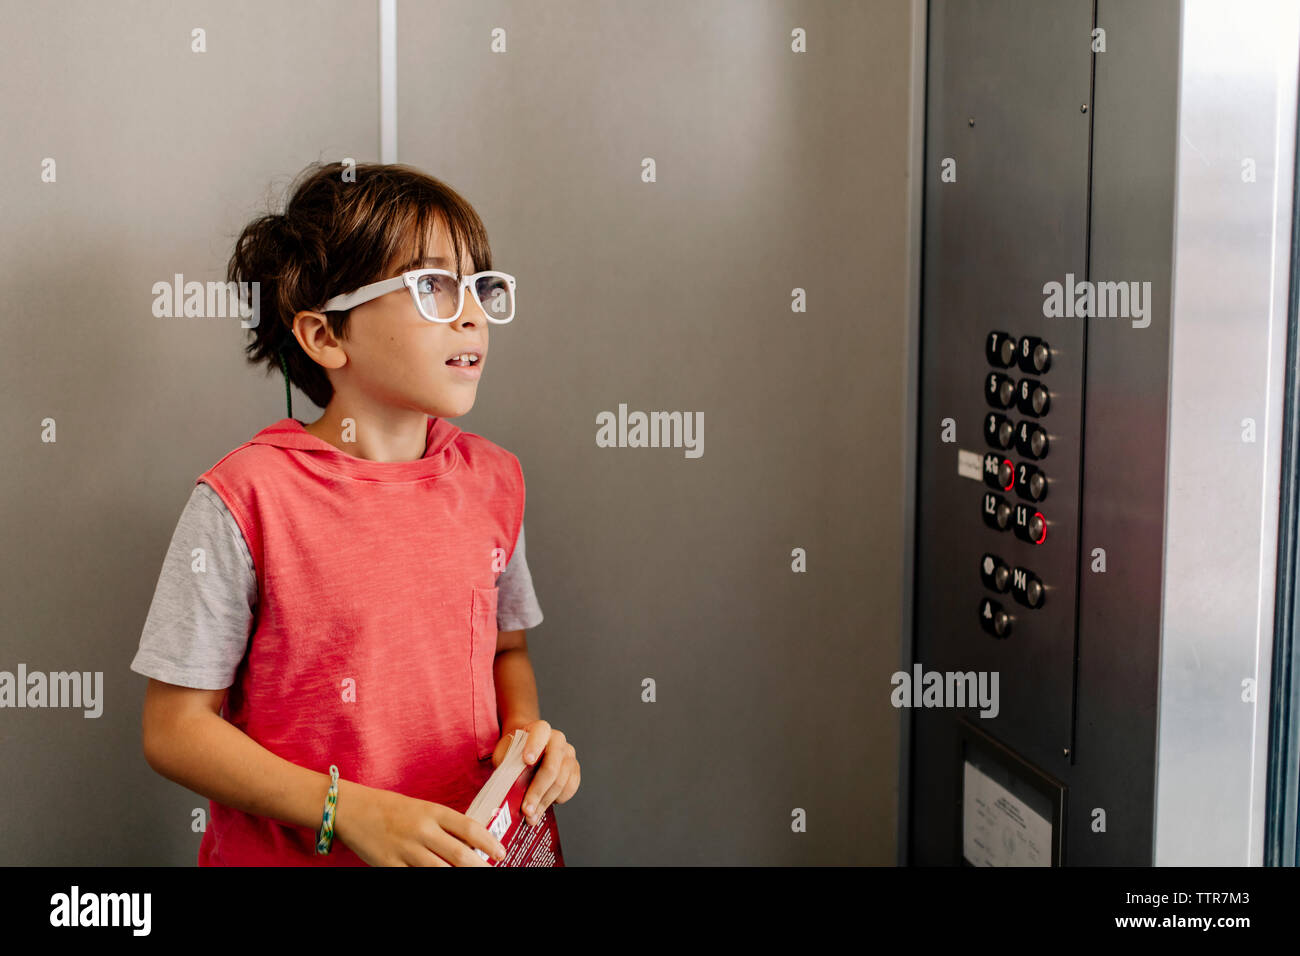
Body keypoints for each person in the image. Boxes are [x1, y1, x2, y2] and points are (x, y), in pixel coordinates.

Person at [130, 161, 579, 865]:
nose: (471, 313)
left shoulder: (495, 479)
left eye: (478, 286)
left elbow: (506, 650)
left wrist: (527, 735)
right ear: (325, 337)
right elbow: (175, 729)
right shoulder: (245, 497)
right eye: (432, 285)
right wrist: (348, 811)